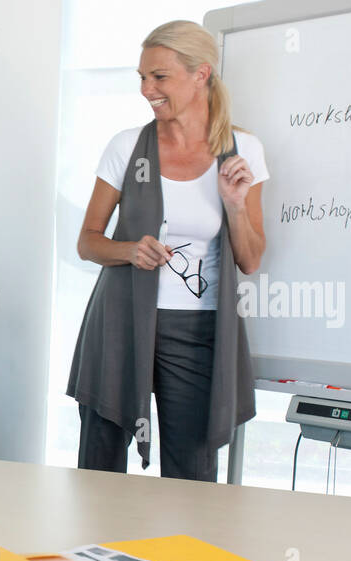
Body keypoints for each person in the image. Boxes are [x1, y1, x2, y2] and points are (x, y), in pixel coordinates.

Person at [68, 19, 268, 482]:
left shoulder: (243, 152)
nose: (146, 90)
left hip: (197, 331)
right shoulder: (127, 147)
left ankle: (183, 554)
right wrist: (130, 251)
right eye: (141, 77)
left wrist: (235, 206)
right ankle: (93, 551)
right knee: (100, 468)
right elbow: (88, 242)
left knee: (192, 474)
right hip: (120, 323)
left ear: (201, 74)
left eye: (159, 77)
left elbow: (251, 259)